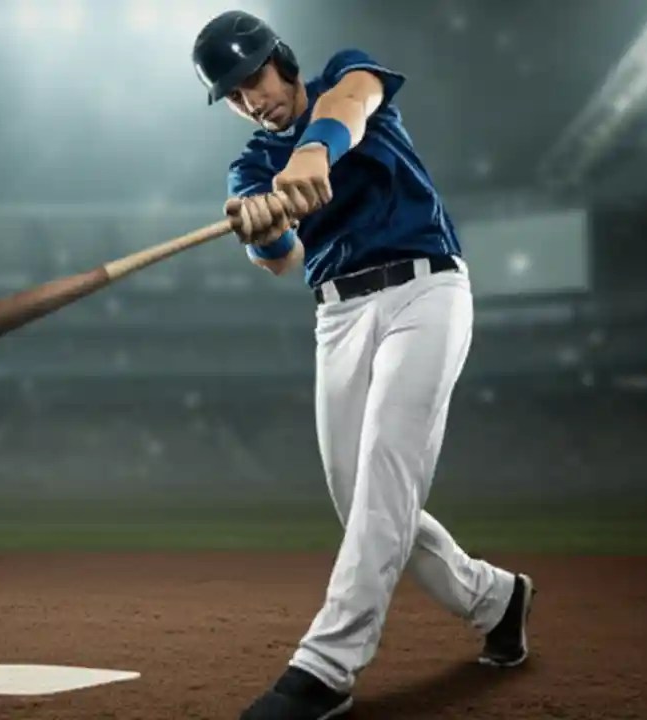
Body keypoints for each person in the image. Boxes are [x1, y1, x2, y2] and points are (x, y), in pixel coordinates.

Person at [191, 11, 537, 720]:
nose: (252, 100)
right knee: (362, 502)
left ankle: (325, 669)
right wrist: (259, 230)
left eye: (254, 77)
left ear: (280, 59)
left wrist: (315, 151)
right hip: (339, 314)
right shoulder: (253, 164)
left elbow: (354, 106)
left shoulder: (346, 77)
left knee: (385, 473)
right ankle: (496, 599)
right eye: (233, 94)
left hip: (425, 290)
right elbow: (284, 260)